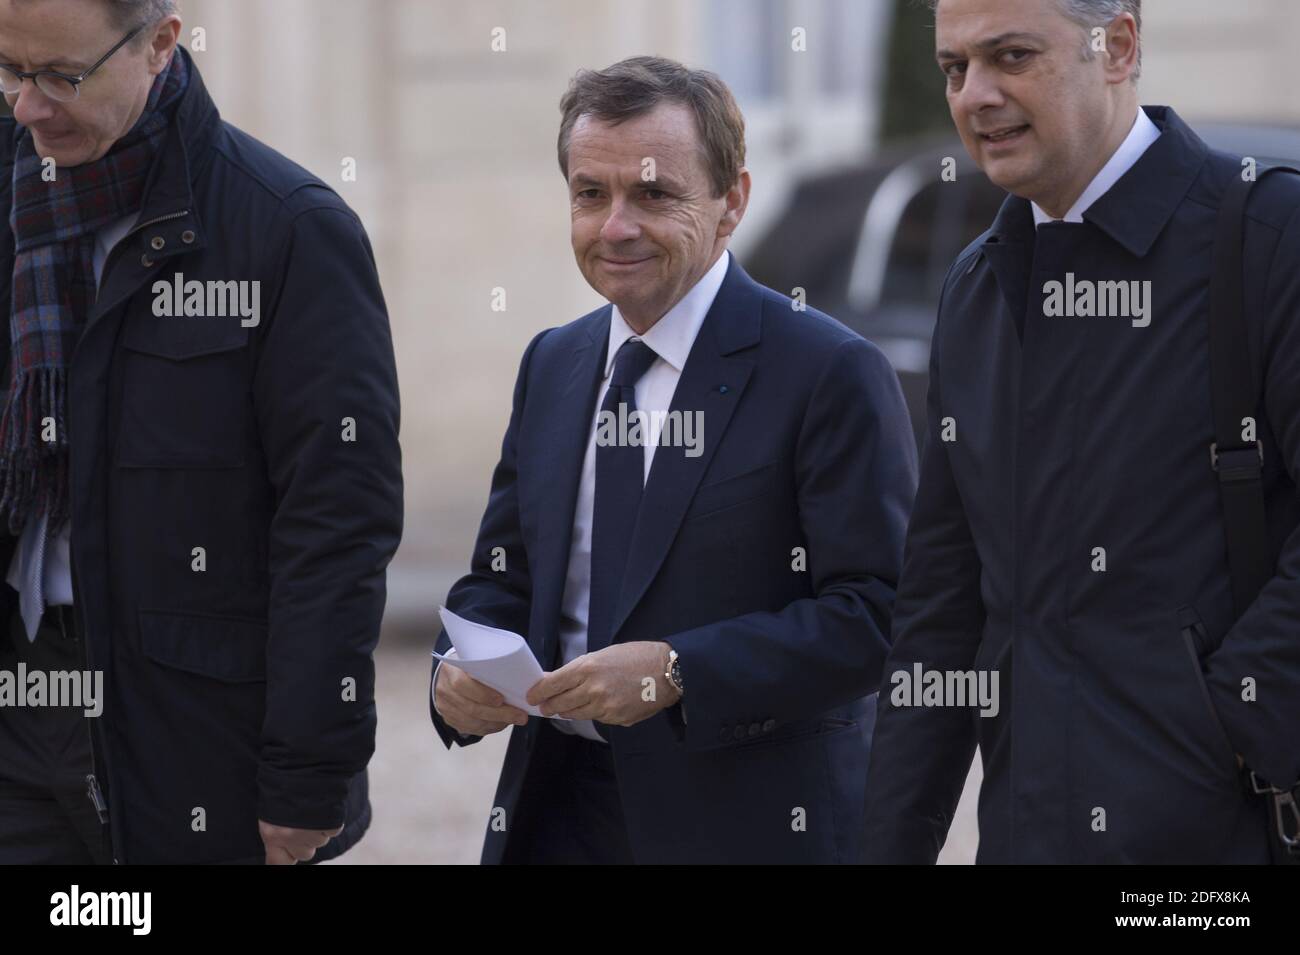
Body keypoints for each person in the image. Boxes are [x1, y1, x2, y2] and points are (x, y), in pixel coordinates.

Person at [430, 55, 916, 864]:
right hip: (556, 818)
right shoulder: (552, 363)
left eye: (653, 194)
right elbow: (502, 577)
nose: (614, 225)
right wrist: (454, 673)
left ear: (733, 203)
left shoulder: (827, 371)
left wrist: (679, 670)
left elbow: (882, 615)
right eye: (590, 193)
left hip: (747, 828)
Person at [863, 0, 1300, 863]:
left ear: (1119, 46)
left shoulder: (1268, 237)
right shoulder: (976, 288)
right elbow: (944, 610)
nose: (975, 94)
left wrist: (1225, 725)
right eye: (954, 68)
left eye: (1011, 56)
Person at [0, 0, 402, 864]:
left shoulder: (290, 230)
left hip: (190, 731)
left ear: (159, 44)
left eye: (62, 77)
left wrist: (308, 774)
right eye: (8, 70)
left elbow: (335, 520)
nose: (29, 105)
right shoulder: (11, 196)